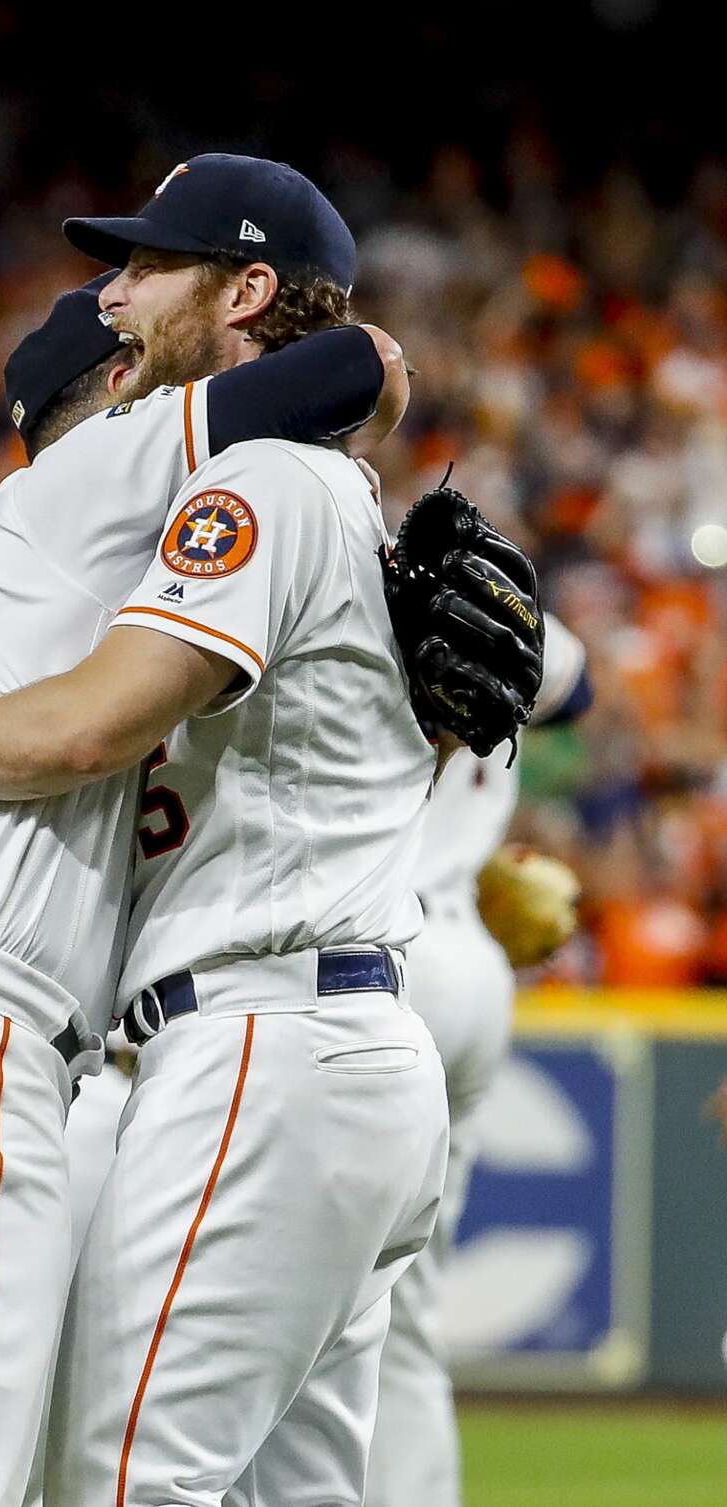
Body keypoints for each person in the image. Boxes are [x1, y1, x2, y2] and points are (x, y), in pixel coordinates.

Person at [0, 153, 410, 1507]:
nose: (117, 301)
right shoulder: (113, 469)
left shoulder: (25, 548)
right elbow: (361, 366)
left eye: (144, 269)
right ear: (104, 402)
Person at [366, 614, 590, 1507]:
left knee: (303, 1309)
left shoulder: (313, 559)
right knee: (405, 1324)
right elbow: (578, 690)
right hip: (467, 963)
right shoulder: (485, 581)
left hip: (373, 950)